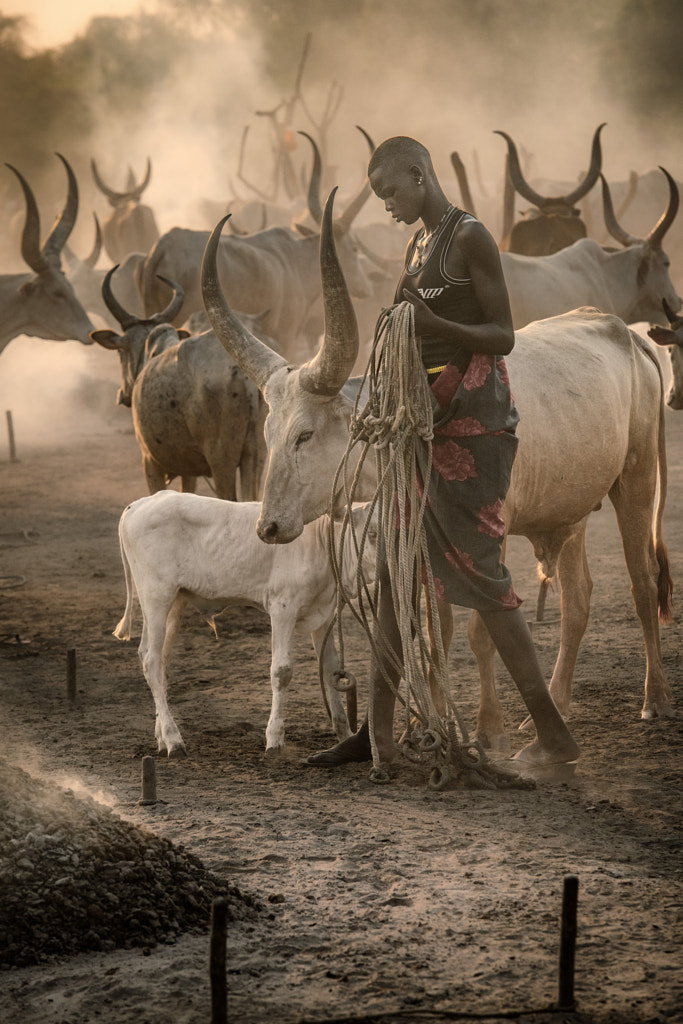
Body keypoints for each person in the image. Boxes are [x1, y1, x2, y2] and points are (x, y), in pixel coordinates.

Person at [305, 136, 579, 769]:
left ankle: (555, 735)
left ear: (419, 175)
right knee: (394, 569)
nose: (387, 206)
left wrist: (434, 327)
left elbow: (502, 335)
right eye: (380, 197)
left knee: (483, 578)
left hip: (472, 433)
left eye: (390, 193)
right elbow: (411, 325)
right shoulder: (419, 244)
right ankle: (376, 733)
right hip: (421, 429)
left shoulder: (469, 238)